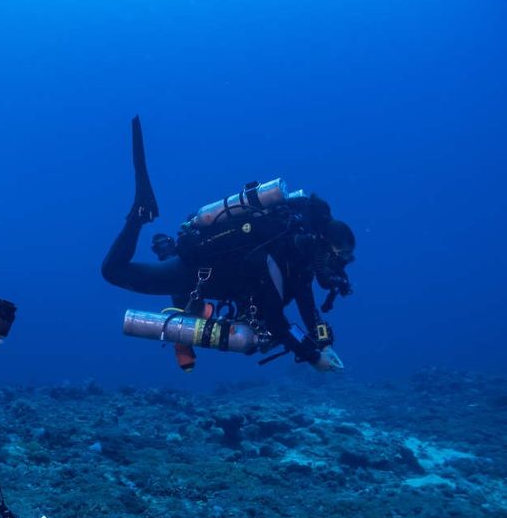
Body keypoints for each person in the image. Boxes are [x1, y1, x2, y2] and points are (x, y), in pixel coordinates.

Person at [102, 117, 354, 372]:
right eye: (335, 257)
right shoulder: (272, 257)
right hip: (196, 273)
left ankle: (166, 247)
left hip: (211, 280)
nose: (334, 267)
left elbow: (307, 305)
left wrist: (324, 344)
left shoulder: (297, 258)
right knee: (114, 272)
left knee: (182, 293)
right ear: (319, 244)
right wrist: (312, 356)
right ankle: (139, 215)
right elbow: (275, 320)